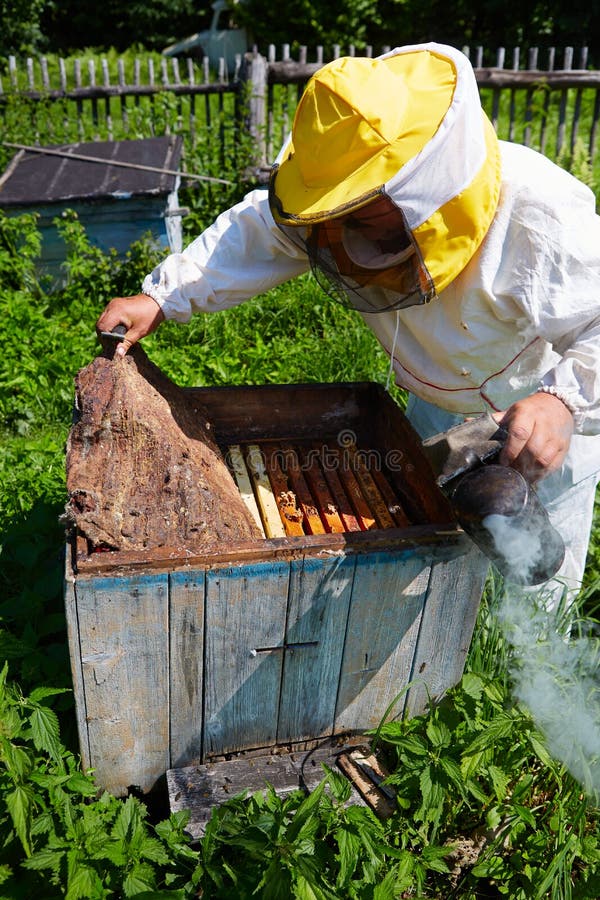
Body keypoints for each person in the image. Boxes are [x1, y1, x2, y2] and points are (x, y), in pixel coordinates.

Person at [96, 42, 600, 602]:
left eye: (367, 215)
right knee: (437, 565)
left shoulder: (540, 214)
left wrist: (563, 403)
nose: (349, 231)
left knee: (539, 579)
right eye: (340, 214)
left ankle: (542, 662)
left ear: (426, 186)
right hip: (437, 400)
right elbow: (258, 231)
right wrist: (163, 297)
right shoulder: (340, 212)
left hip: (542, 411)